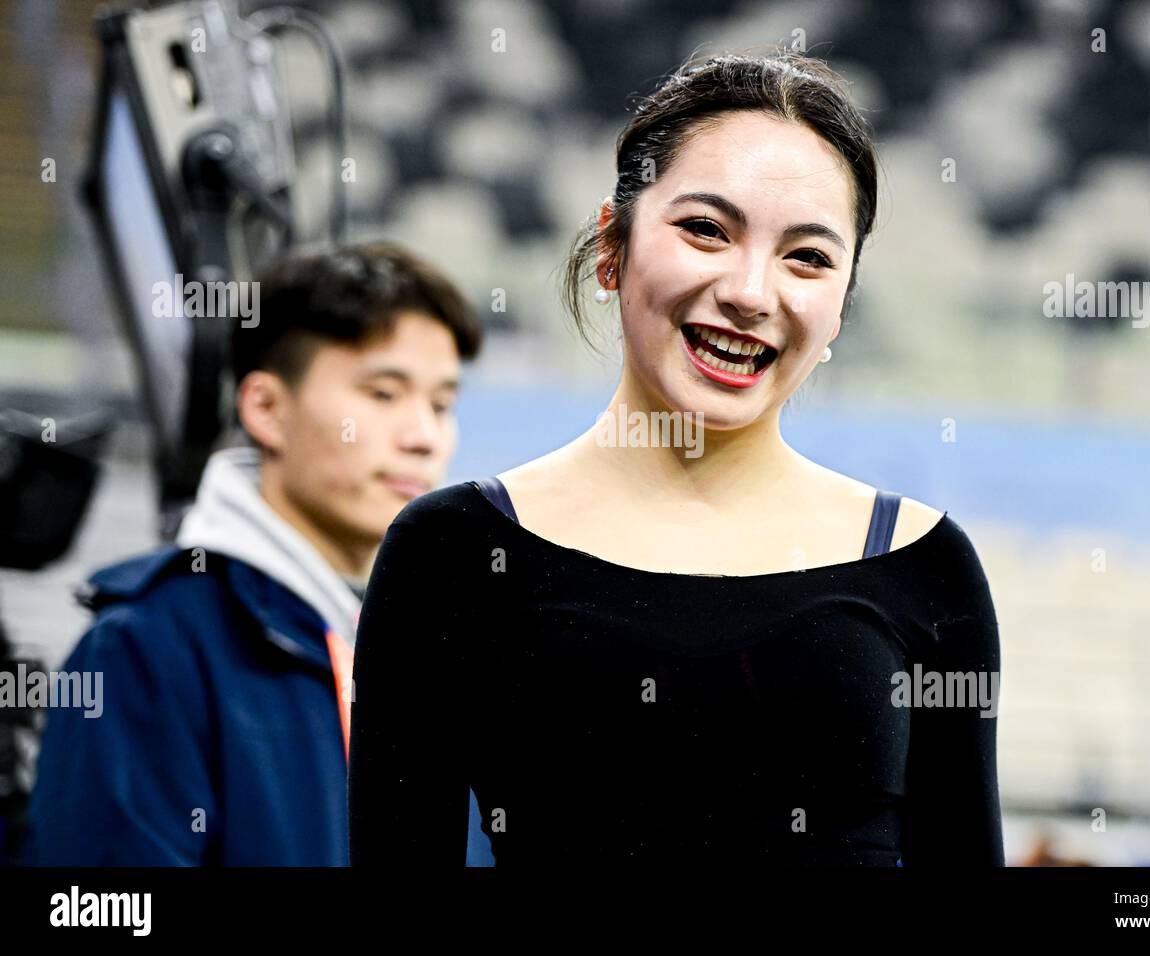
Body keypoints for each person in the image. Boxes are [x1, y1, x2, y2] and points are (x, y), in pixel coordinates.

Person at [348, 52, 1004, 867]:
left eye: (807, 256)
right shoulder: (448, 554)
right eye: (705, 230)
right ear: (610, 249)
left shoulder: (925, 566)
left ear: (839, 308)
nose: (751, 292)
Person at [26, 241, 482, 865]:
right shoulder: (143, 649)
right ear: (267, 408)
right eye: (383, 394)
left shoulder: (445, 653)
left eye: (441, 404)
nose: (424, 437)